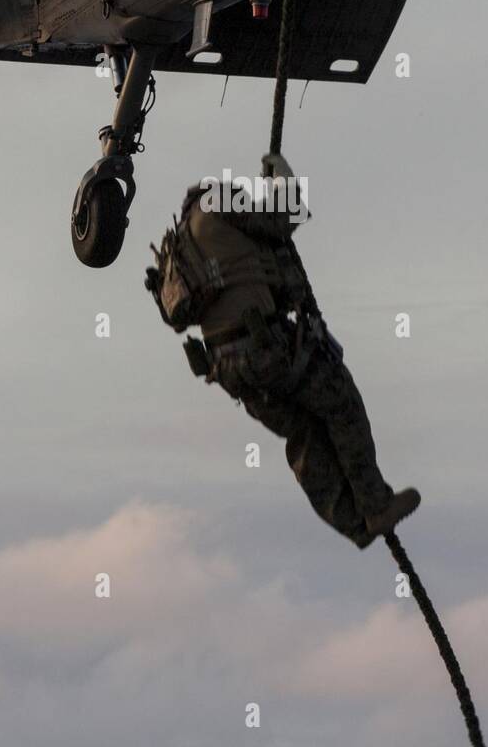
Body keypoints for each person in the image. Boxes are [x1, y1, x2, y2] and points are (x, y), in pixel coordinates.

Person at [146, 155, 420, 549]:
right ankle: (375, 504)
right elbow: (282, 220)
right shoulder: (219, 203)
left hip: (228, 367)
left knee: (304, 434)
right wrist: (283, 179)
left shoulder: (183, 243)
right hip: (267, 350)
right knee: (340, 402)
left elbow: (178, 317)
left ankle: (353, 523)